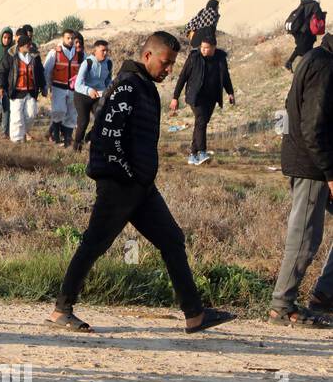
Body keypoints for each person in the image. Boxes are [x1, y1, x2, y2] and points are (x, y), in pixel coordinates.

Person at [48, 32, 234, 334]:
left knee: (172, 239)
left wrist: (139, 179)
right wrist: (126, 174)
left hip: (141, 186)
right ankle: (61, 310)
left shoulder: (144, 86)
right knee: (95, 243)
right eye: (165, 62)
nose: (169, 69)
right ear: (147, 56)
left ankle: (195, 314)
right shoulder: (127, 87)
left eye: (173, 64)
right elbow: (106, 137)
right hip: (122, 185)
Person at [268, 28, 333, 325]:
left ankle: (326, 293)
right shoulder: (324, 66)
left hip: (312, 161)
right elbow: (313, 127)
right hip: (311, 165)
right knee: (305, 236)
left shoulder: (316, 58)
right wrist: (329, 172)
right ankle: (282, 305)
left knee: (306, 233)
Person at [170, 35, 235, 166]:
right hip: (195, 96)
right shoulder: (194, 57)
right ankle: (201, 152)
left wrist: (230, 92)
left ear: (214, 48)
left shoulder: (220, 58)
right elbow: (183, 77)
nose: (203, 50)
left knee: (201, 123)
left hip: (211, 97)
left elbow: (225, 76)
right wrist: (175, 97)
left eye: (206, 48)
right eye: (202, 48)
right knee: (201, 121)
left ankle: (192, 155)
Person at [0, 32, 45, 144]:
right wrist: (1, 86)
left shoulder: (34, 56)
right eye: (28, 45)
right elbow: (2, 71)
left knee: (31, 114)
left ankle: (23, 133)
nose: (30, 47)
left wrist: (43, 86)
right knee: (16, 117)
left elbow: (40, 72)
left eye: (30, 44)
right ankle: (16, 141)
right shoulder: (11, 56)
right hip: (16, 92)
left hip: (31, 91)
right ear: (21, 46)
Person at [42, 29, 83, 146]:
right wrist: (46, 86)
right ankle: (55, 135)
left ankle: (67, 139)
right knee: (58, 111)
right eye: (68, 38)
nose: (70, 41)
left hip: (74, 89)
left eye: (72, 38)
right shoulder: (55, 52)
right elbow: (47, 70)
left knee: (72, 114)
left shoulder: (80, 54)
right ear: (63, 38)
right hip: (58, 87)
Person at [72, 39, 112, 152]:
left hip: (99, 95)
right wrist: (89, 90)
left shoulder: (109, 63)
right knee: (83, 121)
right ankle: (76, 147)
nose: (105, 53)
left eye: (106, 50)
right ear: (95, 51)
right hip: (82, 95)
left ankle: (89, 138)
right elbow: (78, 84)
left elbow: (108, 80)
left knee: (103, 119)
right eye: (103, 50)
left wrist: (108, 90)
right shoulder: (87, 63)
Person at [285, 0, 324, 71]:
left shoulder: (303, 1)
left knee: (304, 48)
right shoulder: (314, 4)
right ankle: (294, 64)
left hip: (297, 30)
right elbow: (319, 16)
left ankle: (295, 64)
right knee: (304, 49)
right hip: (305, 31)